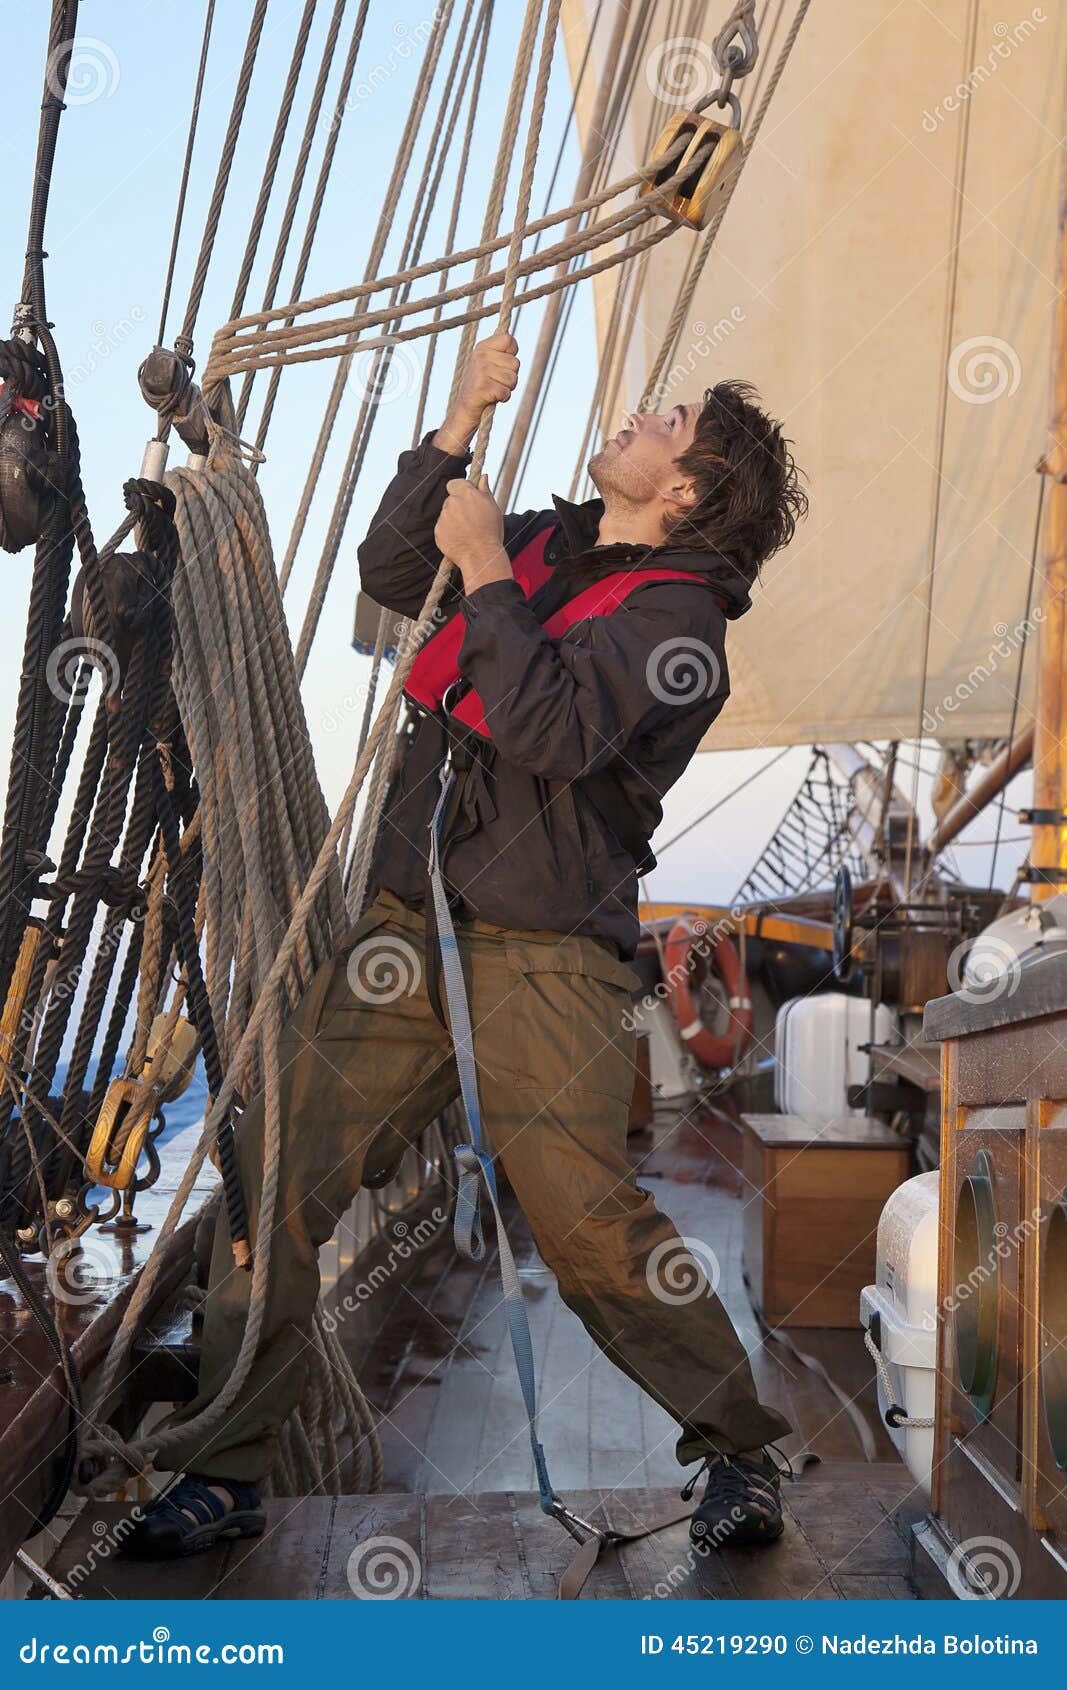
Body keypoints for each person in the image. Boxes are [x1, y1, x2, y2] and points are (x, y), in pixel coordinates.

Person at [125, 331, 807, 1560]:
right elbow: (397, 573)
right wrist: (454, 425)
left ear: (689, 488)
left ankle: (738, 1449)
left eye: (664, 420)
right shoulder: (547, 541)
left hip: (542, 957)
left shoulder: (679, 629)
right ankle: (218, 1465)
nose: (635, 417)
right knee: (279, 1172)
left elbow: (547, 724)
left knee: (588, 1225)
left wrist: (485, 558)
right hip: (403, 923)